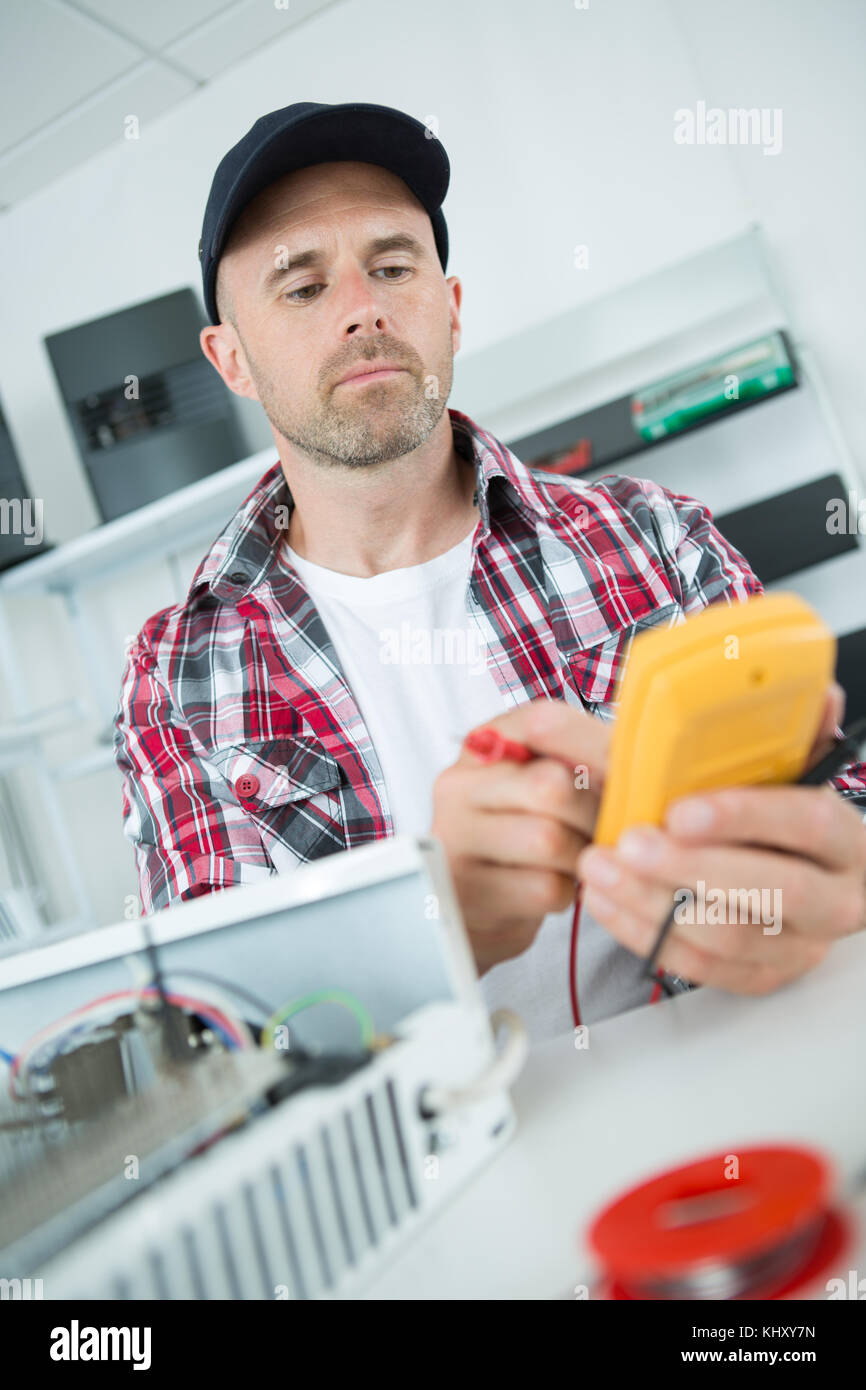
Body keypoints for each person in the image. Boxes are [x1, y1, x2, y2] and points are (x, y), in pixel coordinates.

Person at [113, 102, 866, 1040]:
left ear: (453, 310)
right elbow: (217, 1032)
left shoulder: (658, 541)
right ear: (234, 361)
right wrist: (439, 926)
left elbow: (834, 815)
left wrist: (812, 877)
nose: (364, 308)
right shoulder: (176, 674)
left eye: (392, 265)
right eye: (302, 289)